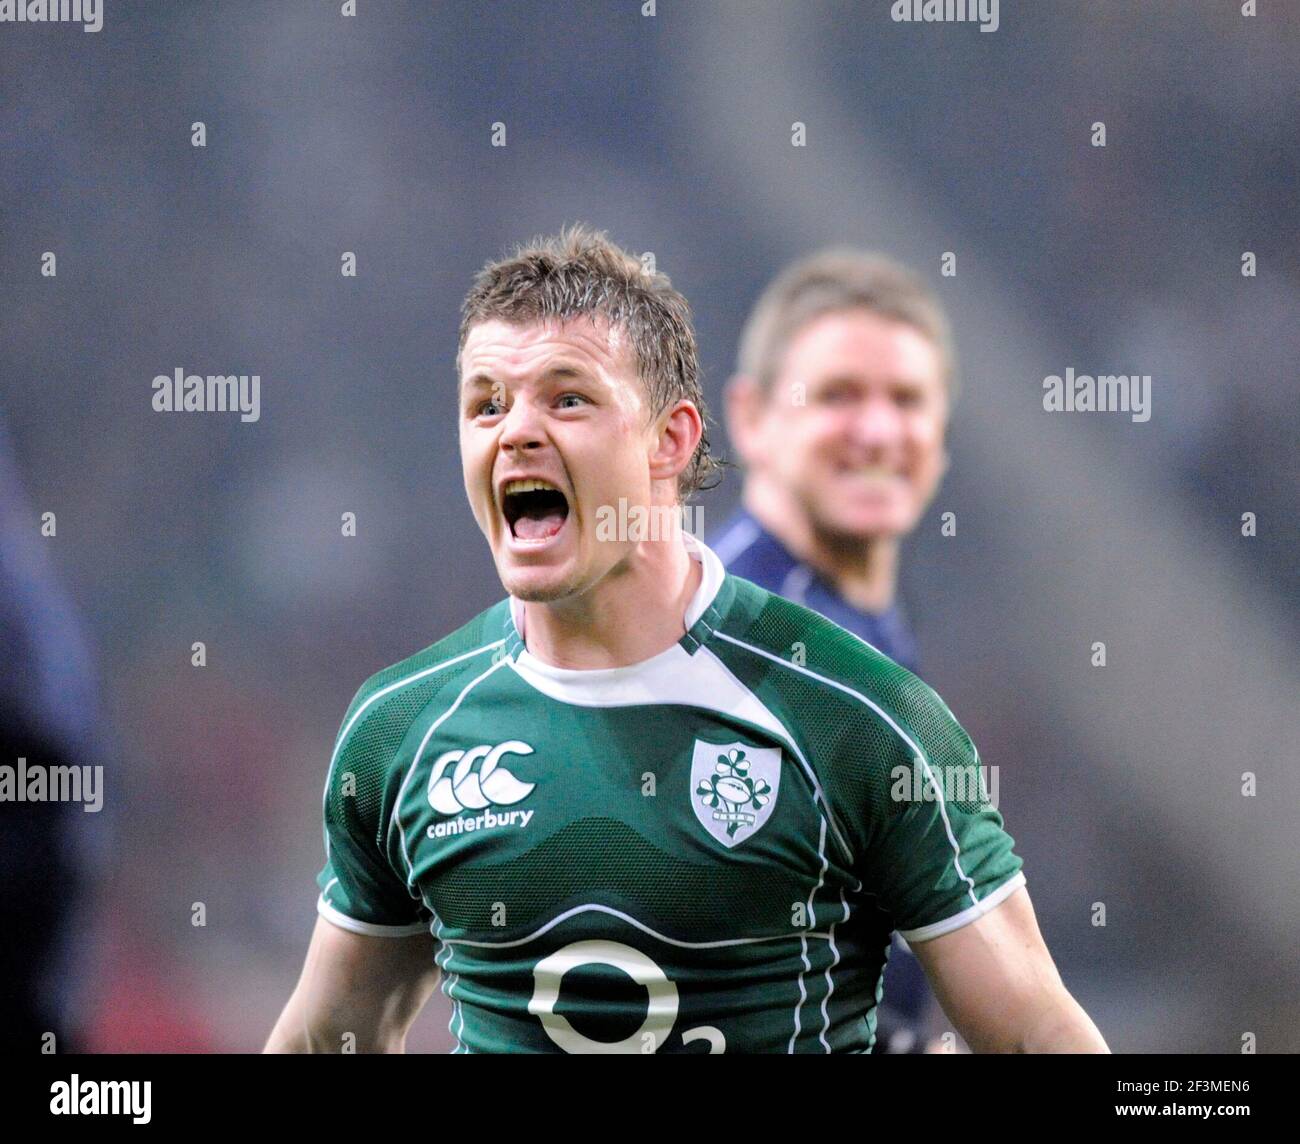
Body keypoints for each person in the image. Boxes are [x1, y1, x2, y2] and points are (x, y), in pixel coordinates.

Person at [265, 225, 1107, 1054]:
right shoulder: (398, 732)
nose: (514, 430)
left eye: (567, 398)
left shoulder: (858, 716)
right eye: (486, 402)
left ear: (672, 438)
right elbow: (327, 1036)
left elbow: (1034, 1032)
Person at [713, 249, 952, 1051]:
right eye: (840, 395)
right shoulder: (735, 642)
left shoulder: (863, 631)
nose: (879, 429)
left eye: (908, 400)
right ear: (751, 420)